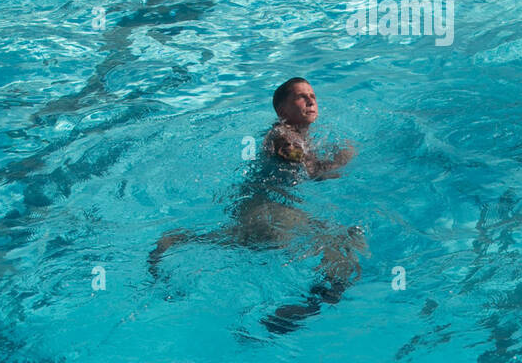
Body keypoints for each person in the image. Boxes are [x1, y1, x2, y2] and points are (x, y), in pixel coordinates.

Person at [149, 78, 364, 334]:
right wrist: (344, 158)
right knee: (348, 247)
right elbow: (310, 169)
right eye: (301, 96)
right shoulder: (281, 136)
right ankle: (311, 305)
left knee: (349, 238)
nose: (311, 100)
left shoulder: (295, 137)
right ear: (282, 111)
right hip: (269, 214)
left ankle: (178, 239)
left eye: (313, 95)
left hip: (264, 211)